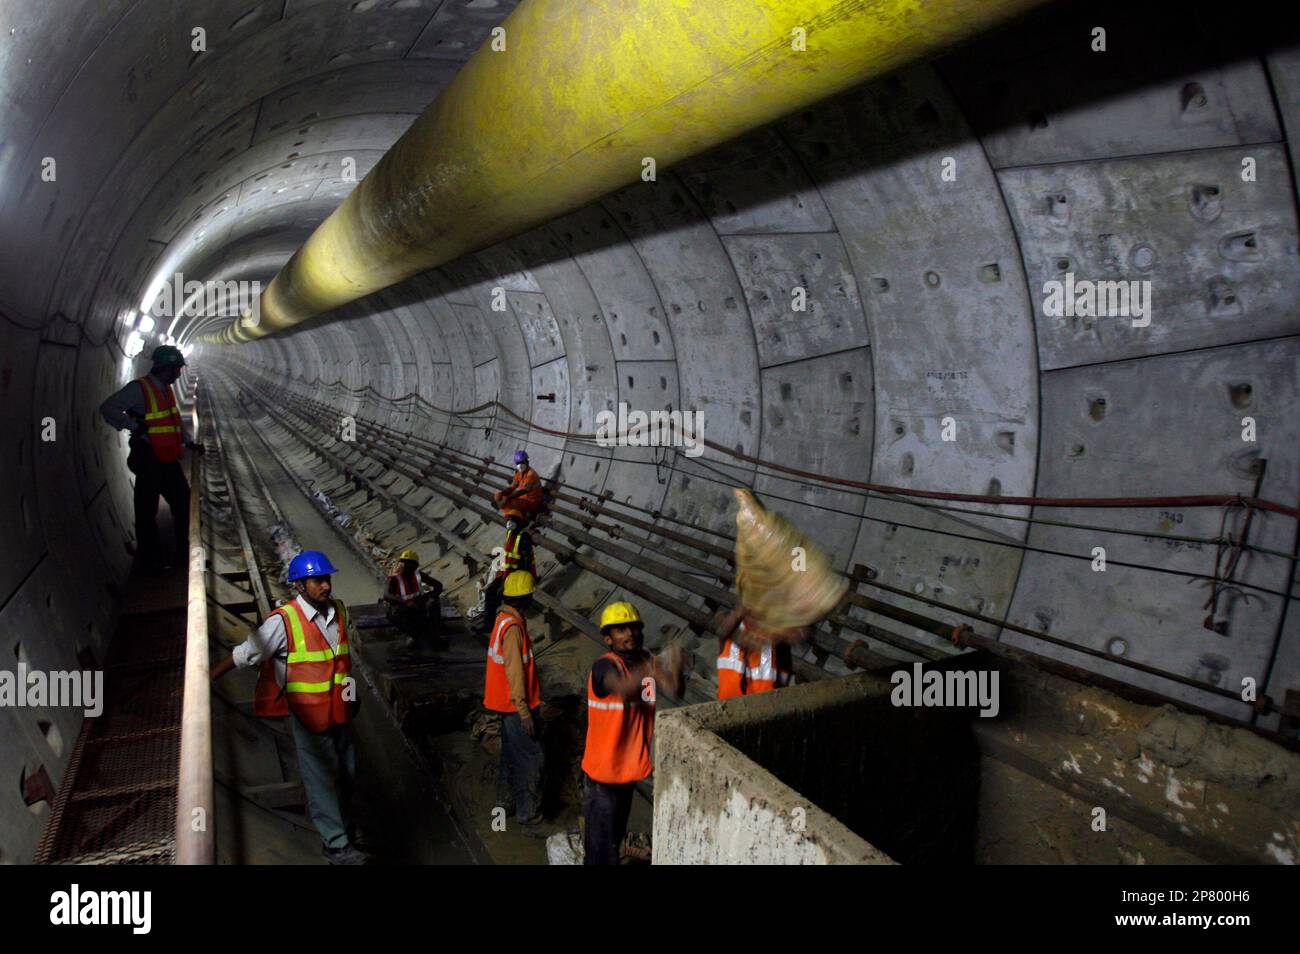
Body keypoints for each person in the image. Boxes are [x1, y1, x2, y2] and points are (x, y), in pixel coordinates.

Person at [210, 550, 366, 865]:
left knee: (347, 770)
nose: (325, 585)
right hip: (307, 713)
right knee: (320, 775)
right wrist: (207, 676)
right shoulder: (285, 621)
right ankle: (335, 844)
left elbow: (341, 660)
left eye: (327, 578)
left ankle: (348, 828)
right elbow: (247, 653)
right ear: (298, 585)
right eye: (317, 581)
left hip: (339, 708)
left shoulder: (338, 611)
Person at [581, 601, 683, 865]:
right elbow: (625, 688)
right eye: (620, 630)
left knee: (613, 837)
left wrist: (676, 665)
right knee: (601, 848)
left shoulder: (645, 661)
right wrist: (654, 666)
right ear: (608, 638)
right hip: (603, 772)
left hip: (628, 769)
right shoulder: (605, 666)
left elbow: (674, 690)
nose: (629, 634)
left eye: (633, 628)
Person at [99, 344, 204, 572]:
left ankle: (182, 556)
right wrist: (133, 426)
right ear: (167, 369)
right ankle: (151, 562)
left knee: (183, 504)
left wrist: (189, 442)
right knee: (147, 512)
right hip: (147, 457)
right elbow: (109, 408)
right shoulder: (139, 389)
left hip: (166, 456)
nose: (179, 374)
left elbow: (173, 421)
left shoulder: (165, 390)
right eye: (177, 369)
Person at [482, 570, 546, 836]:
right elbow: (515, 672)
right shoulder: (513, 628)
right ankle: (528, 814)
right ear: (524, 598)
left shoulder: (503, 619)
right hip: (514, 706)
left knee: (510, 754)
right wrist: (525, 712)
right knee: (533, 758)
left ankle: (504, 802)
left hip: (504, 705)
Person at [713, 606, 794, 699]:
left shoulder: (778, 643)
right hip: (728, 708)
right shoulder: (731, 632)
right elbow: (721, 621)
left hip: (762, 709)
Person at [473, 518, 535, 635]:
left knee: (503, 595)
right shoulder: (510, 533)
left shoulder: (524, 537)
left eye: (513, 520)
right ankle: (489, 625)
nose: (510, 523)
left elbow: (527, 561)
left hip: (517, 575)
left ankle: (504, 626)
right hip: (507, 573)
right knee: (490, 591)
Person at [382, 548, 444, 649]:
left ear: (414, 565)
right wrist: (405, 602)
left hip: (415, 604)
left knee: (434, 602)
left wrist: (431, 598)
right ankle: (411, 634)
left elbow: (438, 585)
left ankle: (435, 632)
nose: (404, 565)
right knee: (395, 613)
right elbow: (386, 595)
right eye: (403, 563)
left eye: (408, 563)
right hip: (401, 606)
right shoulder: (395, 577)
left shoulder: (418, 574)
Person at [492, 450, 543, 526]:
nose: (520, 465)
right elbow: (512, 487)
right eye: (518, 463)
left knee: (507, 503)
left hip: (531, 501)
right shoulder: (519, 473)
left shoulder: (530, 474)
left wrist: (507, 499)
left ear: (527, 462)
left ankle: (520, 519)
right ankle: (516, 516)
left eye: (522, 462)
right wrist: (501, 494)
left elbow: (523, 491)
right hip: (523, 499)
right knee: (498, 495)